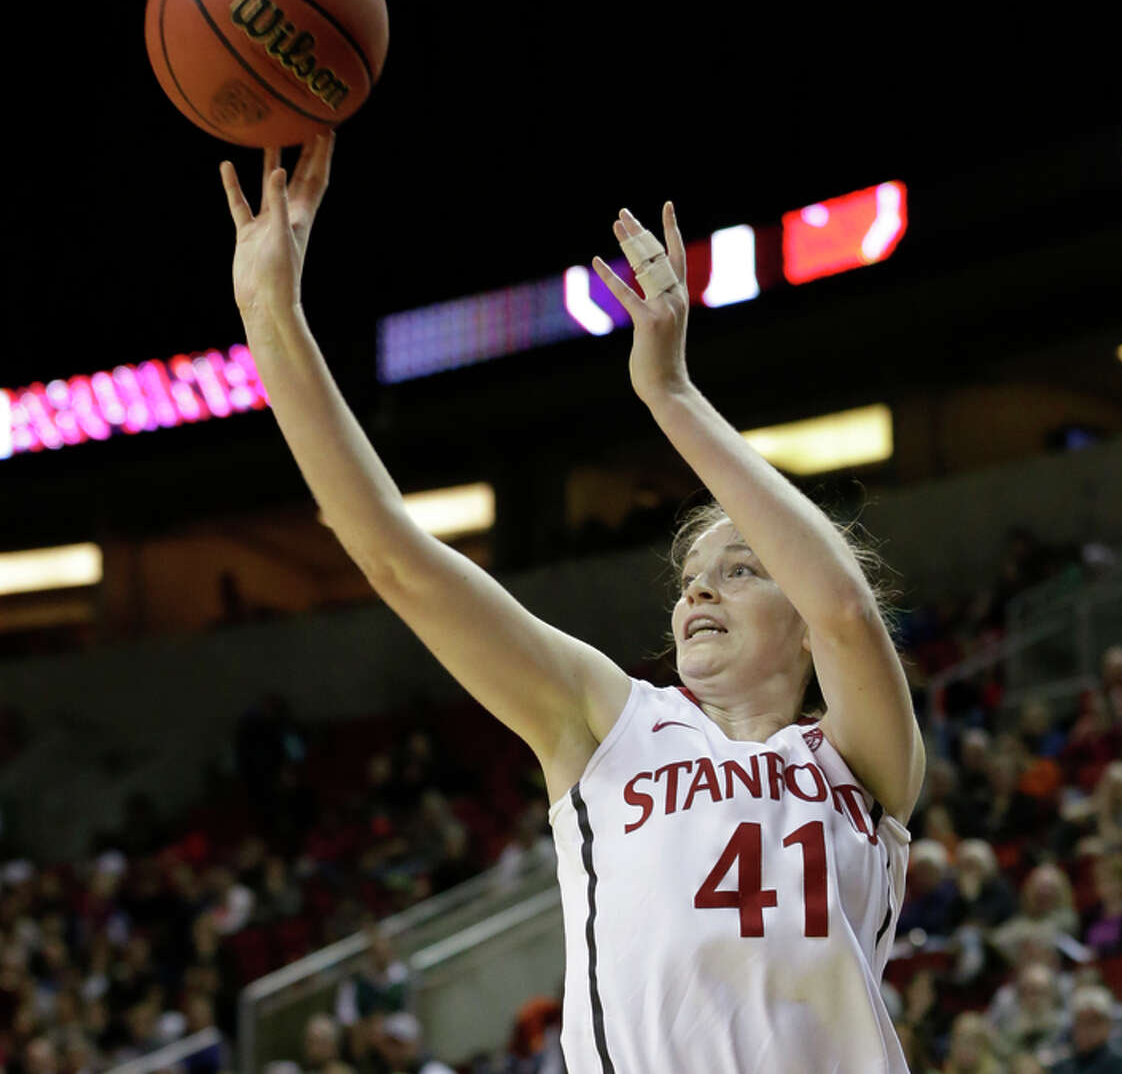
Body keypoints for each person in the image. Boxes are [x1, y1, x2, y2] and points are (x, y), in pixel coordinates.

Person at [219, 136, 925, 1071]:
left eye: (745, 568)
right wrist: (271, 315)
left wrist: (670, 393)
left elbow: (843, 609)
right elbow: (397, 558)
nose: (701, 587)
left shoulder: (862, 759)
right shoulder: (609, 721)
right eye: (690, 579)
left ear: (796, 614)